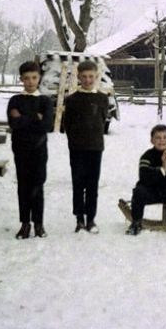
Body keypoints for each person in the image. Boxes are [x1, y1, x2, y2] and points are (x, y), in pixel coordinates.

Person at [7, 61, 54, 239]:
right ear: (21, 79)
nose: (30, 82)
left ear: (39, 78)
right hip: (20, 149)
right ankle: (25, 224)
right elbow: (14, 124)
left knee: (38, 185)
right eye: (26, 78)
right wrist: (35, 117)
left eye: (34, 77)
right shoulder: (15, 100)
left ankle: (39, 224)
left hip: (39, 149)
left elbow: (47, 126)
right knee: (23, 186)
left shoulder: (45, 101)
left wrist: (24, 118)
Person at [60, 60, 108, 234]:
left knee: (92, 185)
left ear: (96, 77)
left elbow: (102, 119)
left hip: (95, 147)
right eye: (84, 76)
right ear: (79, 77)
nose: (88, 80)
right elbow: (67, 124)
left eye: (91, 76)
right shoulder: (72, 99)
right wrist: (75, 142)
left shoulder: (102, 98)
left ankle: (91, 219)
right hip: (77, 149)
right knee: (78, 183)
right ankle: (79, 219)